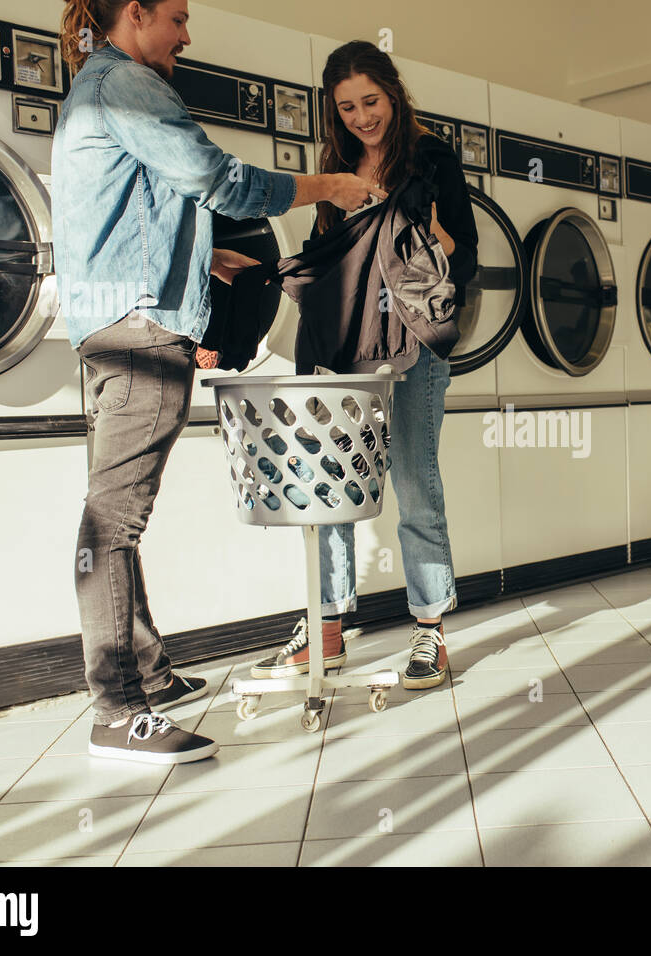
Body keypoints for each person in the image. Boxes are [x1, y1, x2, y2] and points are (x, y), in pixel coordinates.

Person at [55, 0, 383, 763]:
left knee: (117, 512)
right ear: (134, 13)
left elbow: (114, 216)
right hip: (141, 327)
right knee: (115, 520)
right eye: (175, 16)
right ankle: (117, 712)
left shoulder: (98, 91)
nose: (186, 34)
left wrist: (203, 260)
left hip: (117, 318)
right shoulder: (129, 83)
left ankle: (147, 673)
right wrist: (328, 185)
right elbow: (217, 179)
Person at [253, 41, 478, 691]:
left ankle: (430, 630)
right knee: (330, 478)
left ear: (393, 93)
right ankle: (327, 627)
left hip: (413, 342)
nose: (361, 117)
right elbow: (331, 260)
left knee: (413, 480)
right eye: (347, 107)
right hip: (350, 345)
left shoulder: (430, 157)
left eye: (371, 102)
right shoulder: (338, 166)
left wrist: (418, 229)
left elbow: (461, 260)